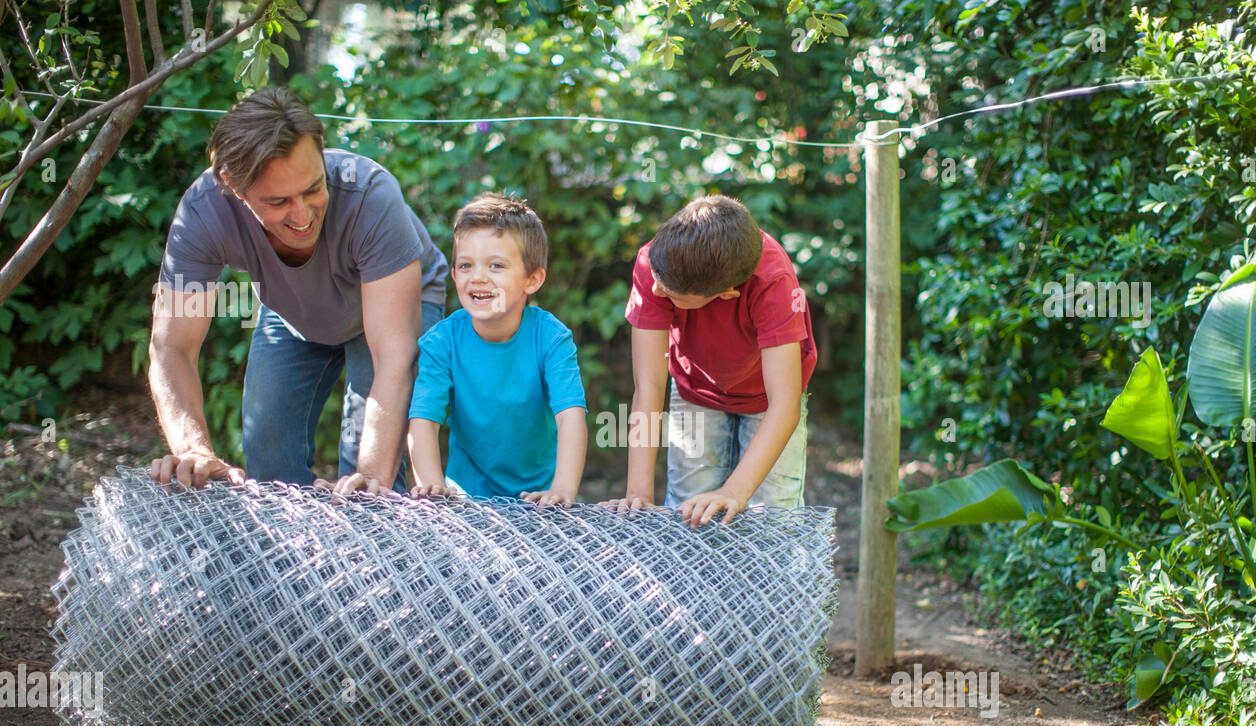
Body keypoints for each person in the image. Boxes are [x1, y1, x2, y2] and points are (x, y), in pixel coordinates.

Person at [147, 86, 449, 494]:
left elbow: (395, 356)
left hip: (392, 304)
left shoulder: (371, 196)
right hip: (292, 307)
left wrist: (373, 478)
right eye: (278, 202)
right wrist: (193, 450)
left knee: (366, 467)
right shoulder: (201, 214)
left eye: (313, 189)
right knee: (268, 458)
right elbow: (171, 346)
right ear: (232, 186)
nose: (303, 215)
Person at [601, 195, 817, 527]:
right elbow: (649, 385)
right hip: (696, 389)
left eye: (673, 296)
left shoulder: (773, 282)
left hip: (767, 400)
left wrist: (735, 492)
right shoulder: (656, 265)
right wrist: (639, 491)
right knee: (689, 512)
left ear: (727, 294)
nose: (657, 291)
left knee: (772, 519)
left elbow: (784, 403)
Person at [407, 193, 587, 505]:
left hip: (540, 495)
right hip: (466, 497)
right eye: (465, 265)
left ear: (532, 279)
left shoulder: (551, 338)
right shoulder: (441, 342)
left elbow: (570, 416)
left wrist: (563, 488)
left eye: (496, 265)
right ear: (453, 274)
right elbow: (423, 419)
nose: (477, 277)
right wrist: (432, 484)